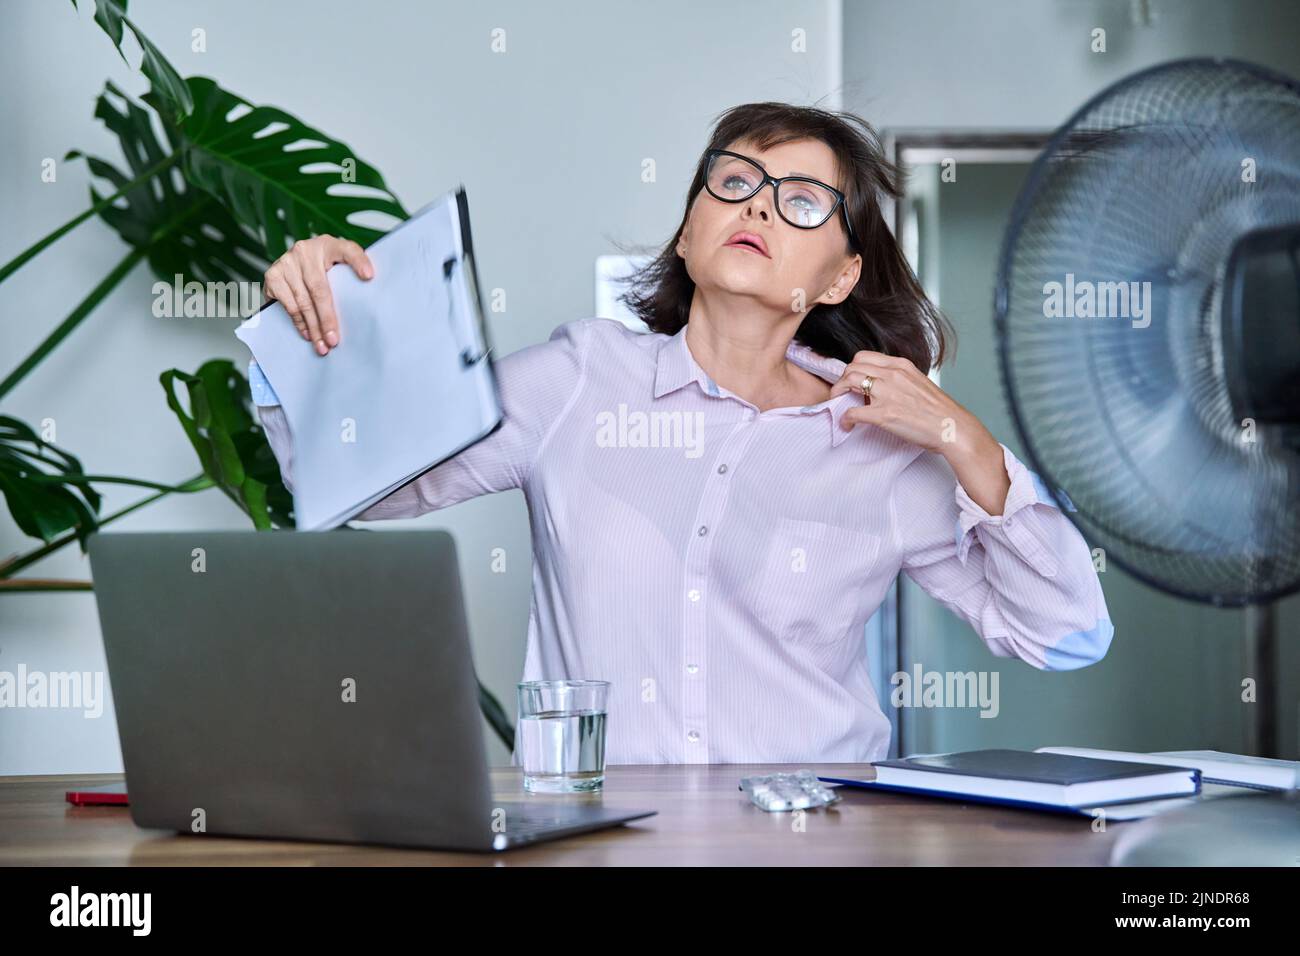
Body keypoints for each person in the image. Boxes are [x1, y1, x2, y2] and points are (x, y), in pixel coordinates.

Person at [250, 102, 1112, 765]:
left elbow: (1067, 633)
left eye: (803, 201)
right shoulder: (576, 381)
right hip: (594, 843)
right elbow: (346, 483)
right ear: (692, 230)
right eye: (735, 183)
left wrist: (966, 441)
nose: (761, 208)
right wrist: (308, 325)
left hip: (810, 846)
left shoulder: (882, 447)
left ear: (843, 276)